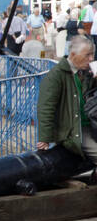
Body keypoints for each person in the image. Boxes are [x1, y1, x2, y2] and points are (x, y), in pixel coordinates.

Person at [37, 35, 97, 168]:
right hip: (74, 130)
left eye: (92, 55)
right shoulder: (56, 76)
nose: (91, 59)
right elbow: (46, 107)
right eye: (87, 55)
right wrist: (44, 139)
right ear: (73, 54)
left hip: (89, 125)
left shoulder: (85, 72)